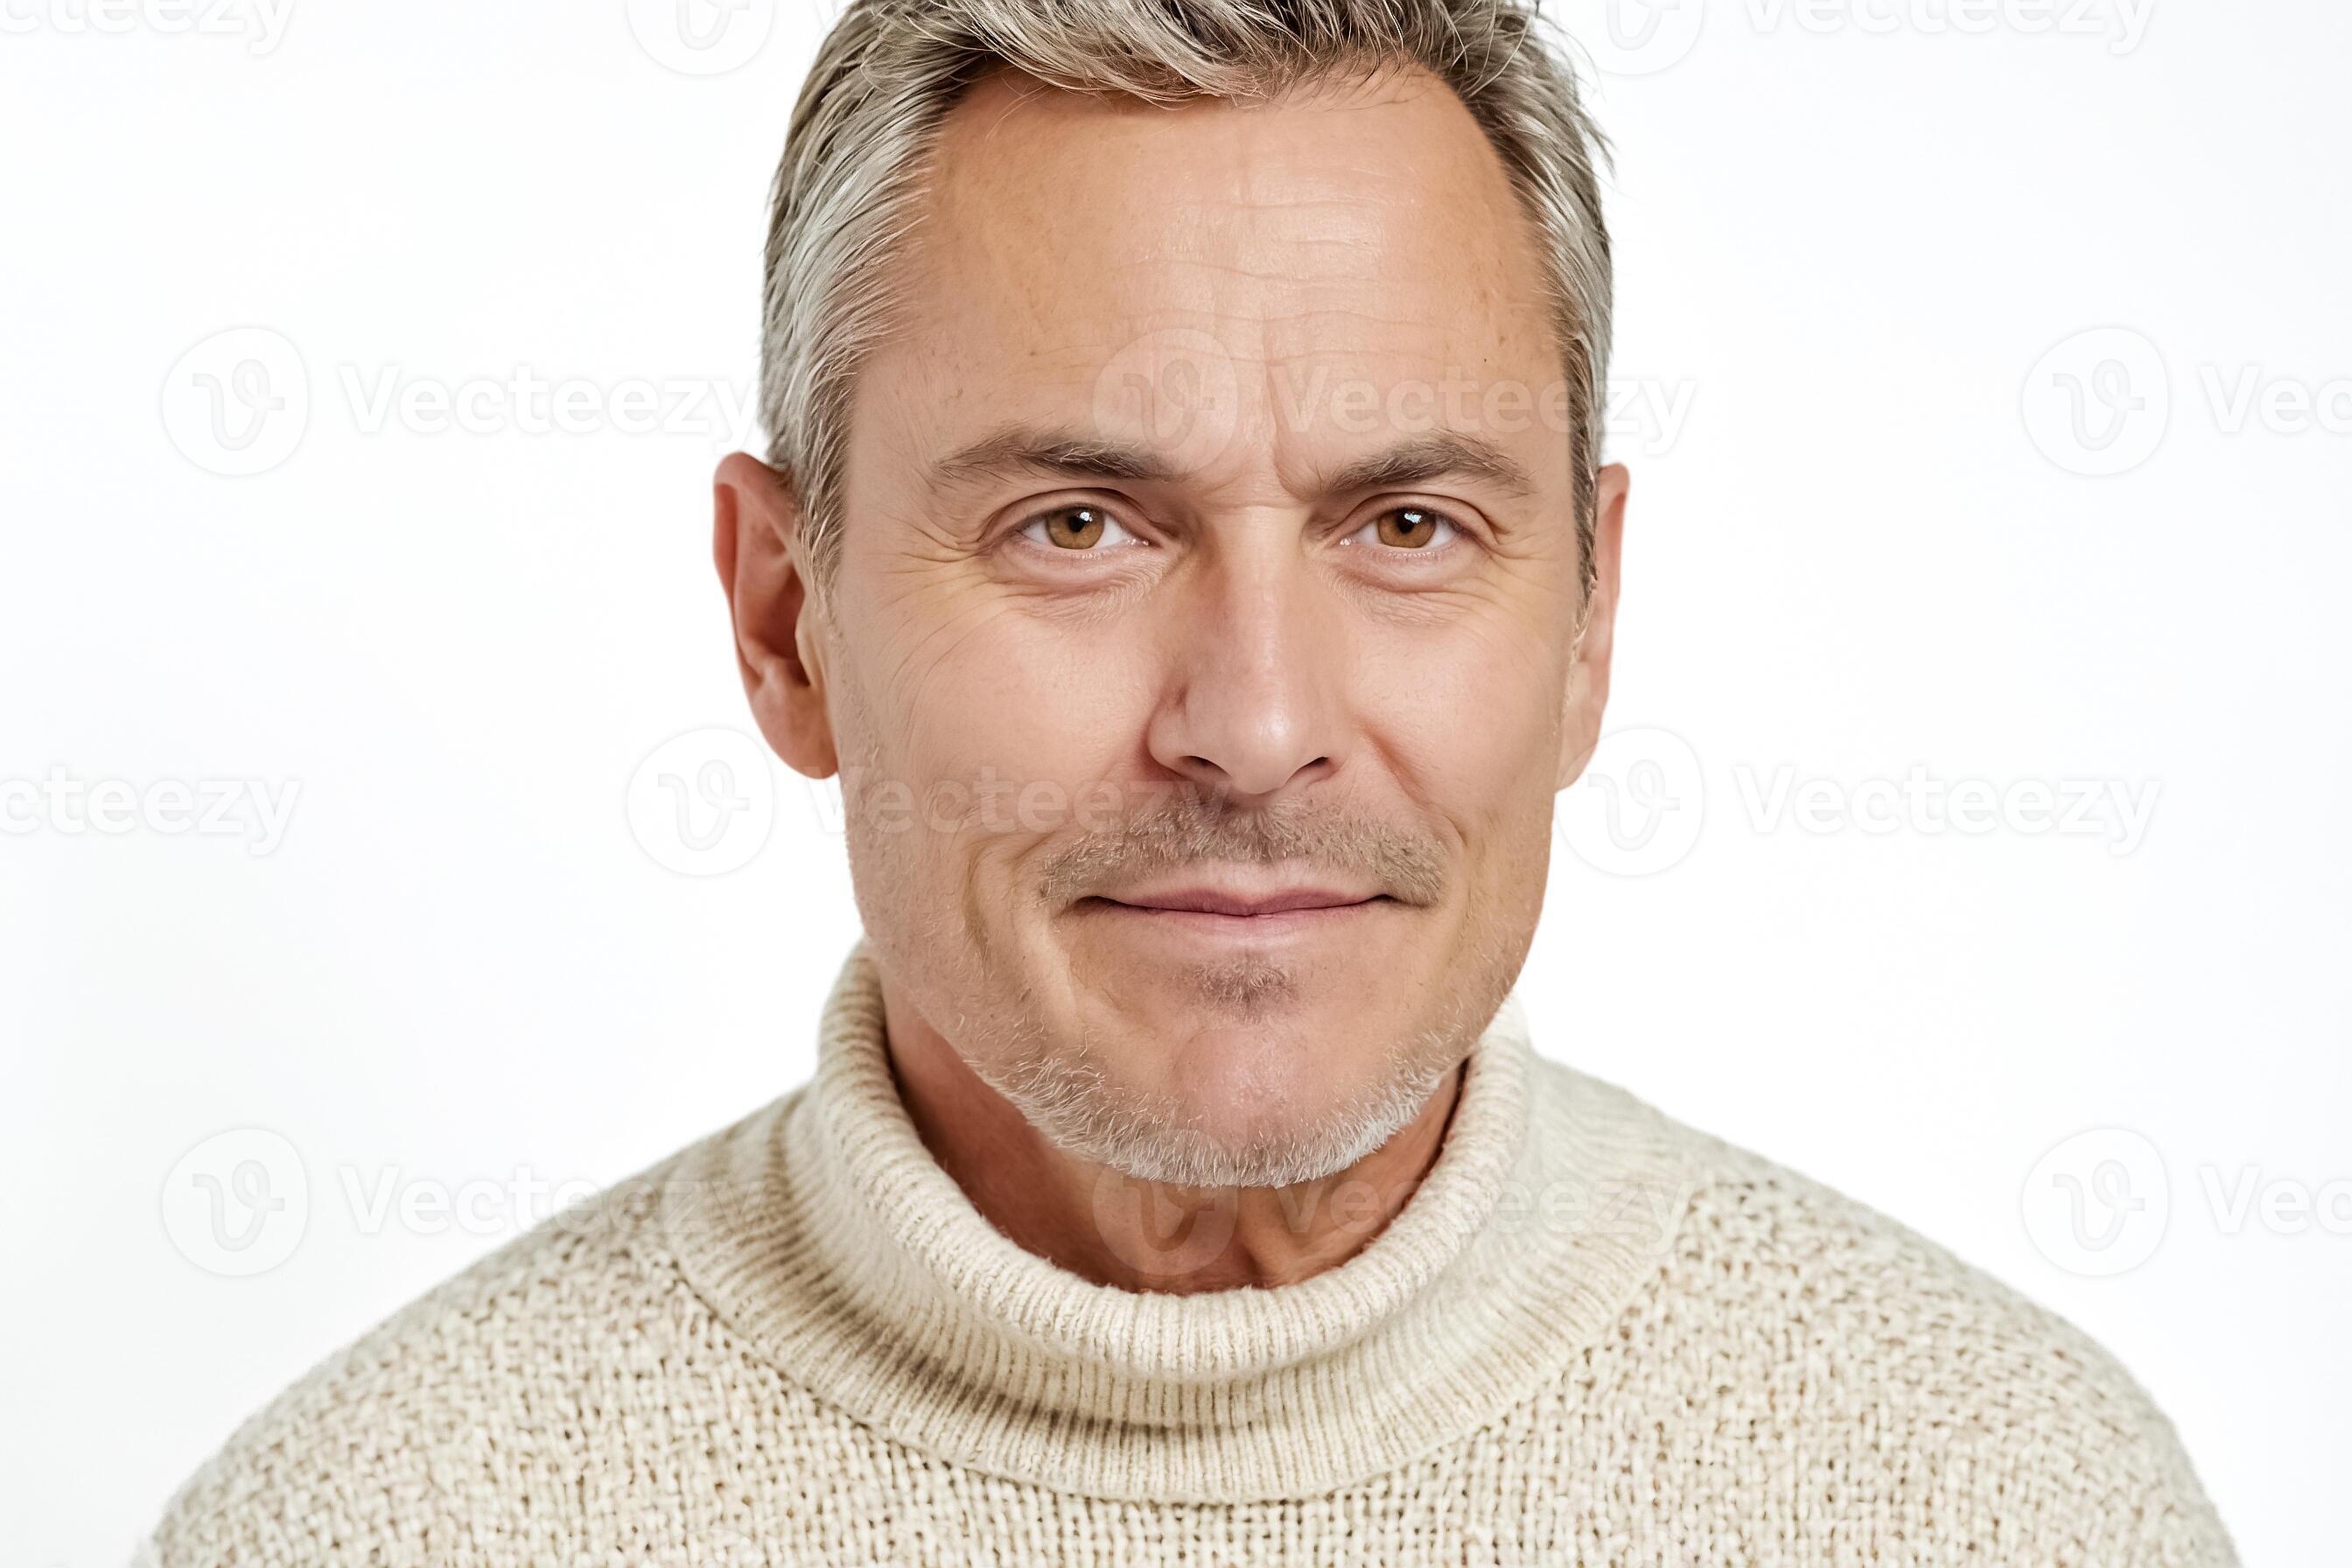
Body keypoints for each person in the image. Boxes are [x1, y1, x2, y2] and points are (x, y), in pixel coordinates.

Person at [146, 1, 2238, 1562]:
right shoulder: (376, 1517)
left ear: (1592, 627)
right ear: (789, 626)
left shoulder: (2001, 1492)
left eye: (1407, 525)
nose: (1251, 722)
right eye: (1079, 524)